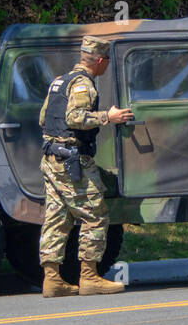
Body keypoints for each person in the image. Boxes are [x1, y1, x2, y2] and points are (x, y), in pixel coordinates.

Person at [37, 36, 134, 297]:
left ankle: (52, 280)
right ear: (100, 61)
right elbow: (75, 118)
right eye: (107, 62)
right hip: (72, 161)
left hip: (51, 159)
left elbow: (44, 118)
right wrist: (108, 117)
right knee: (96, 215)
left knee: (57, 218)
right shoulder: (83, 85)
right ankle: (89, 277)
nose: (107, 66)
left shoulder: (60, 81)